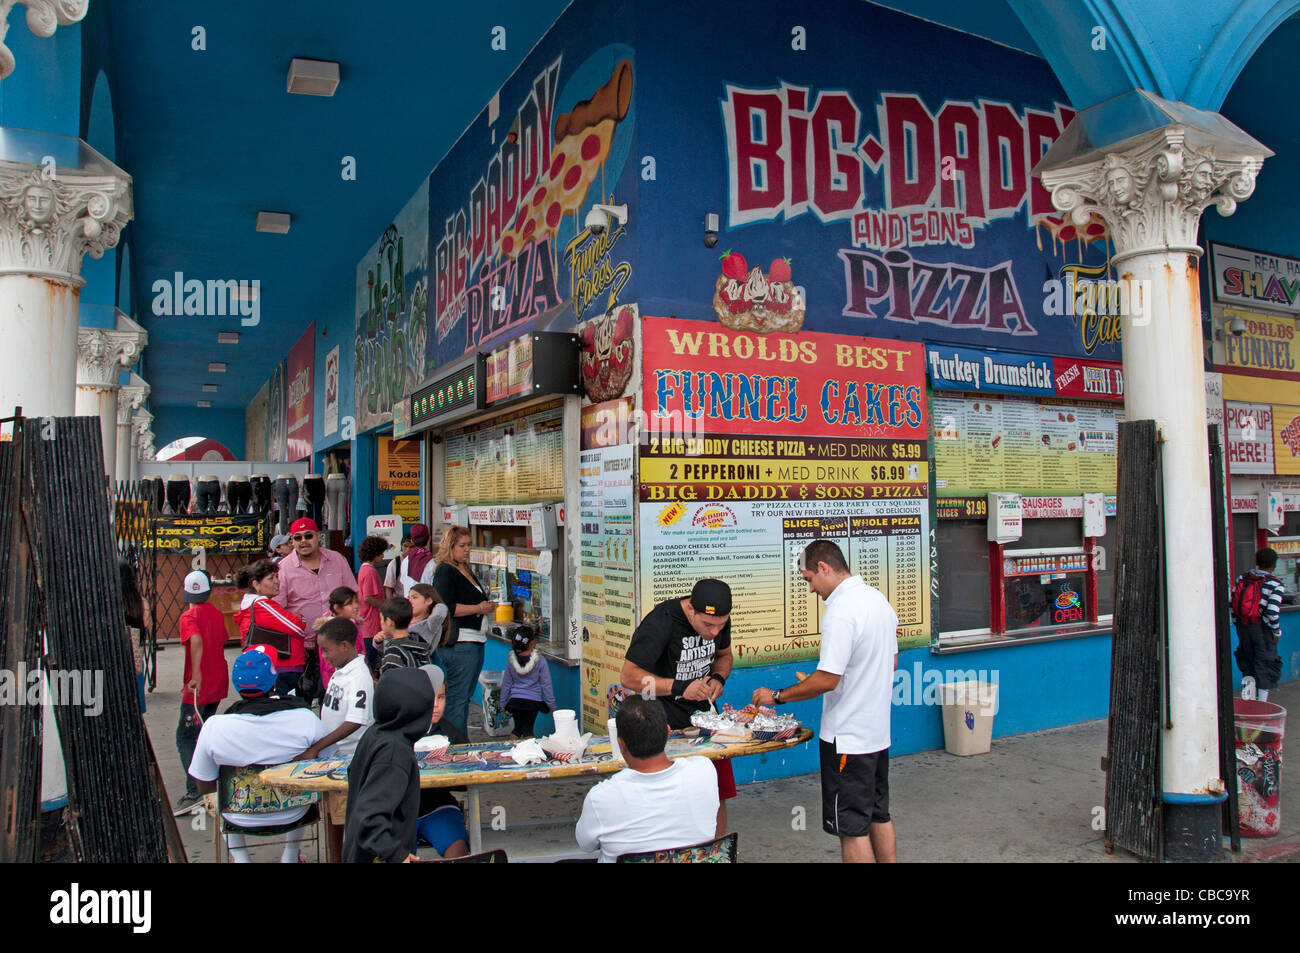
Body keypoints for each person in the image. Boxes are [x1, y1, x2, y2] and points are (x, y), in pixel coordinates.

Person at [752, 539, 898, 864]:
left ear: (823, 568)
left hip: (847, 740)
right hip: (877, 735)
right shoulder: (877, 600)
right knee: (878, 814)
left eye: (808, 580)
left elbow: (828, 679)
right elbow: (889, 663)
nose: (811, 589)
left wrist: (777, 696)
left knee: (851, 828)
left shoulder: (840, 611)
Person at [188, 646, 327, 863]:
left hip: (237, 814)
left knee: (215, 796)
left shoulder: (214, 727)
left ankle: (241, 858)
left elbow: (203, 782)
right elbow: (328, 760)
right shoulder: (304, 719)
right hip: (294, 811)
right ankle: (290, 856)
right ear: (273, 683)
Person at [620, 578, 735, 837]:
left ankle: (716, 852)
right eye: (708, 625)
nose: (715, 632)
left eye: (721, 625)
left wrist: (718, 678)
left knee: (716, 794)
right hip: (663, 725)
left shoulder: (718, 622)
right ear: (691, 610)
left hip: (705, 723)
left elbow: (724, 656)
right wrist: (679, 688)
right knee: (666, 800)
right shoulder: (662, 621)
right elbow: (628, 677)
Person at [575, 696, 718, 863]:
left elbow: (585, 845)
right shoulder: (704, 770)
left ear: (621, 744)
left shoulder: (601, 797)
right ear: (667, 732)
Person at [342, 667, 436, 863]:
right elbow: (370, 817)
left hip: (357, 851)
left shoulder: (376, 733)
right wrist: (396, 854)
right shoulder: (394, 751)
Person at [275, 517, 358, 703]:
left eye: (308, 535)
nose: (303, 541)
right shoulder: (284, 569)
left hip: (337, 645)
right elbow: (278, 611)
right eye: (297, 538)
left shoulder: (337, 560)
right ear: (292, 541)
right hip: (301, 649)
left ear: (318, 537)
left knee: (335, 699)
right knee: (299, 701)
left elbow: (352, 597)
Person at [173, 570, 230, 816]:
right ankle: (211, 784)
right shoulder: (215, 613)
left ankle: (195, 790)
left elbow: (195, 640)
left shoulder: (189, 615)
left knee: (186, 737)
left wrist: (194, 675)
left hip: (199, 687)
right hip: (216, 682)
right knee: (203, 732)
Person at [430, 525, 496, 735]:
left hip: (473, 640)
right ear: (450, 546)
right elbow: (446, 607)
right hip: (460, 643)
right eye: (462, 545)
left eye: (469, 545)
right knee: (457, 698)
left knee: (461, 697)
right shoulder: (445, 571)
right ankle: (455, 744)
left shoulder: (464, 568)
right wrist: (479, 608)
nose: (467, 549)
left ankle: (455, 740)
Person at [413, 665, 470, 859]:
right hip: (399, 810)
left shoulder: (452, 735)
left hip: (437, 807)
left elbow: (467, 781)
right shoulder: (397, 728)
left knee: (458, 849)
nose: (436, 705)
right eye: (431, 698)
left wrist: (448, 766)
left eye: (441, 697)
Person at [300, 618, 375, 760]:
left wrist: (316, 748)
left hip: (348, 755)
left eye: (326, 650)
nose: (324, 656)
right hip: (332, 749)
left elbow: (355, 721)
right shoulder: (342, 669)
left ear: (344, 646)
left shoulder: (357, 677)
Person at [234, 559, 307, 697]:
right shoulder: (262, 605)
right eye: (271, 578)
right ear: (256, 585)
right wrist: (299, 618)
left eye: (276, 577)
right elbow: (297, 628)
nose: (277, 582)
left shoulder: (254, 605)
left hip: (274, 667)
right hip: (282, 667)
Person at [1233, 547, 1286, 701]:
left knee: (1247, 662)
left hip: (1243, 627)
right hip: (1262, 629)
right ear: (1274, 565)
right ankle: (1262, 706)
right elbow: (1272, 611)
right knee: (1265, 664)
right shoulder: (1276, 584)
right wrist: (1276, 631)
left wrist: (1238, 624)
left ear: (1257, 562)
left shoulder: (1242, 578)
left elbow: (1233, 603)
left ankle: (1248, 701)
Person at [500, 626, 555, 738]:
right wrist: (551, 704)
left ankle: (512, 751)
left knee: (517, 729)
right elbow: (546, 684)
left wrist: (503, 702)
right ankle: (529, 754)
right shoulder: (540, 661)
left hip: (515, 701)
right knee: (528, 730)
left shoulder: (511, 660)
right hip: (532, 701)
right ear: (532, 643)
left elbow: (506, 683)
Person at [317, 585, 363, 691]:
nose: (355, 606)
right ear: (337, 608)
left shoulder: (354, 623)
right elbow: (327, 664)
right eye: (350, 604)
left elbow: (361, 652)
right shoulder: (329, 631)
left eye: (356, 602)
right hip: (338, 683)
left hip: (357, 676)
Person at [356, 535, 390, 674]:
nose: (382, 556)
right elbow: (368, 597)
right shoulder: (370, 572)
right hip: (371, 623)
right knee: (370, 661)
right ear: (374, 554)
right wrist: (386, 605)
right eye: (381, 553)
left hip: (367, 622)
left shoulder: (363, 570)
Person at [379, 597, 432, 675]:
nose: (380, 622)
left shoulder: (393, 652)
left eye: (381, 618)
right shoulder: (418, 641)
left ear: (389, 622)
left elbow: (391, 683)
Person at [407, 583, 450, 662]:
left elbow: (439, 613)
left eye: (414, 597)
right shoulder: (403, 621)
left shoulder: (431, 624)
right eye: (408, 597)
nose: (409, 601)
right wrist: (379, 641)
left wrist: (438, 605)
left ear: (429, 600)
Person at [400, 523, 435, 595]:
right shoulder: (434, 563)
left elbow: (403, 583)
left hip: (408, 604)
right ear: (429, 539)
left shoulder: (405, 561)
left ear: (412, 541)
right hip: (426, 604)